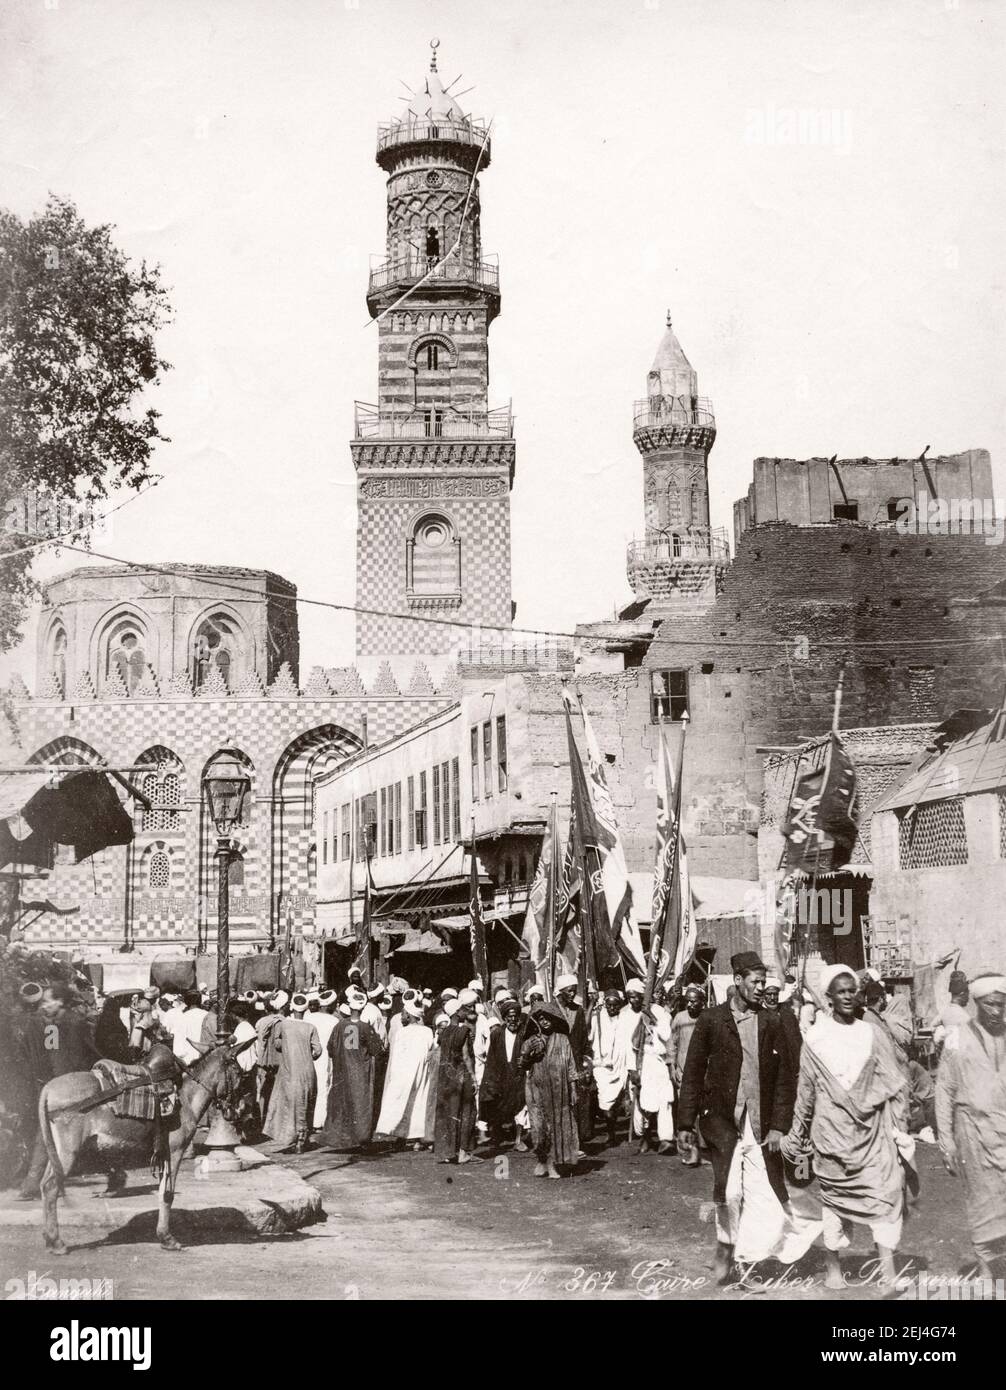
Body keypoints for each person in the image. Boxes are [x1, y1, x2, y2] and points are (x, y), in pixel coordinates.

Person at [783, 964, 912, 1291]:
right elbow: (807, 1091)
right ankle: (833, 1268)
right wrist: (797, 1135)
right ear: (828, 997)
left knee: (883, 1197)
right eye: (840, 992)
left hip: (872, 1134)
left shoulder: (871, 1033)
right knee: (835, 1203)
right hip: (830, 1135)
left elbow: (894, 1081)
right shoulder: (815, 1038)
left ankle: (888, 1273)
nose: (847, 997)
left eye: (852, 990)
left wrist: (899, 1125)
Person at [677, 952, 798, 1282]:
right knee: (729, 1193)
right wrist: (685, 1123)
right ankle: (724, 1249)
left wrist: (779, 1126)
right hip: (723, 1124)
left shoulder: (772, 1021)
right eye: (755, 982)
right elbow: (693, 1072)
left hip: (760, 1127)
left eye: (763, 982)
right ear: (737, 981)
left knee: (763, 1196)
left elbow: (786, 1077)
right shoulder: (712, 1020)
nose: (761, 988)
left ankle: (749, 1262)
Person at [935, 971, 1006, 1280]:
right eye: (991, 1004)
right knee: (981, 1202)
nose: (997, 1011)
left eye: (1002, 1005)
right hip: (972, 1134)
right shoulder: (956, 1037)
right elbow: (944, 1090)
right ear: (977, 1002)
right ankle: (986, 1269)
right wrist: (946, 1141)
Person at [319, 987, 385, 1151]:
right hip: (360, 1073)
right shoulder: (365, 1027)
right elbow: (377, 1049)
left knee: (342, 1105)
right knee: (361, 1105)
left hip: (342, 1073)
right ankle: (362, 1140)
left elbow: (330, 1048)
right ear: (362, 1007)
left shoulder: (339, 1026)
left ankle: (343, 1140)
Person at [519, 1000, 579, 1177]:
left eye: (548, 1018)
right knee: (538, 1127)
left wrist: (574, 1089)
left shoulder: (563, 1039)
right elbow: (521, 1065)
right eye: (541, 1019)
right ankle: (541, 1159)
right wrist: (530, 1054)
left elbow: (571, 1066)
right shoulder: (531, 1041)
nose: (545, 1022)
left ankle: (553, 1163)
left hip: (559, 1090)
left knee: (556, 1126)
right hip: (537, 1089)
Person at [263, 994, 322, 1153]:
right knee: (305, 1104)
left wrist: (289, 1047)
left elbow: (277, 1044)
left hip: (289, 1070)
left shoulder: (283, 1025)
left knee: (289, 1105)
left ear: (292, 1007)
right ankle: (302, 1140)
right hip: (308, 1071)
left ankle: (291, 1138)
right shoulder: (311, 1027)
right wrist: (307, 1053)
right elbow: (318, 1051)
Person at [375, 995, 436, 1149]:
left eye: (403, 1013)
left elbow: (396, 1055)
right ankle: (412, 1138)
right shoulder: (427, 1031)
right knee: (417, 1102)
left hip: (404, 1073)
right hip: (419, 1073)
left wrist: (393, 1076)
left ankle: (404, 1137)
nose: (401, 1016)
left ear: (409, 1015)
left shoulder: (403, 1033)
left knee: (402, 1102)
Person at [624, 979, 675, 1154]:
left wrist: (652, 1018)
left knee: (664, 1100)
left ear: (643, 996)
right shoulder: (626, 1015)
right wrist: (632, 1070)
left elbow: (668, 1035)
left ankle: (665, 1139)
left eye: (636, 997)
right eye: (630, 997)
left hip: (658, 1062)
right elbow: (626, 1045)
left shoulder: (658, 1011)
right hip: (641, 1064)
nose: (633, 1001)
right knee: (643, 1103)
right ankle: (645, 1136)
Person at [434, 988, 479, 1164]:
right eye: (461, 1010)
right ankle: (464, 1152)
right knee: (467, 1111)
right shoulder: (463, 1031)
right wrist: (474, 1078)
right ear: (456, 1013)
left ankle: (448, 1152)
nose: (464, 1012)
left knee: (448, 1111)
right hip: (461, 1075)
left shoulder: (443, 1032)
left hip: (446, 1076)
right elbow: (466, 1056)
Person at [479, 997, 528, 1150]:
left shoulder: (524, 1034)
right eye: (509, 1017)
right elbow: (491, 1058)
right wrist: (491, 1079)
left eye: (515, 1017)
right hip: (501, 1075)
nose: (512, 1020)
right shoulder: (497, 1034)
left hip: (518, 1076)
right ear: (504, 1018)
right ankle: (496, 1137)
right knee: (495, 1104)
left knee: (521, 1108)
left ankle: (519, 1139)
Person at [590, 988, 636, 1146]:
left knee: (614, 1102)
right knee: (605, 1102)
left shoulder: (624, 1019)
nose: (612, 1008)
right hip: (601, 1067)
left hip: (619, 1065)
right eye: (609, 1005)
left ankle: (612, 1133)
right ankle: (610, 1132)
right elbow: (589, 1035)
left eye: (615, 1005)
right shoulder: (597, 1017)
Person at [554, 974, 592, 1147]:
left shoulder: (578, 1010)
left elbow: (583, 1039)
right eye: (569, 991)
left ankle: (576, 1142)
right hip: (556, 1062)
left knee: (576, 1101)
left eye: (574, 991)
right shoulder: (551, 1010)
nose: (572, 994)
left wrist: (586, 1060)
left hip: (575, 1062)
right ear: (560, 991)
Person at [671, 984, 705, 1166]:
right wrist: (672, 1068)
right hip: (684, 1074)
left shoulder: (707, 1018)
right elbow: (673, 1044)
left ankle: (702, 1151)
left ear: (701, 1002)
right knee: (687, 1114)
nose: (691, 1005)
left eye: (694, 1001)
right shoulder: (679, 1018)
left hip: (703, 1073)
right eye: (688, 1001)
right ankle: (691, 1150)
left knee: (703, 1114)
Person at [310, 990, 339, 1131]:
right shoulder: (334, 1021)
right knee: (323, 1088)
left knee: (311, 1089)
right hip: (325, 1058)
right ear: (329, 1005)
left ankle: (311, 1121)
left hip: (310, 1057)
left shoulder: (308, 1017)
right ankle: (319, 1122)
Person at [256, 990, 286, 1118]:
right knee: (277, 1092)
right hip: (278, 1060)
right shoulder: (283, 1021)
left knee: (263, 1091)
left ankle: (263, 1118)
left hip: (263, 1060)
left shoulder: (261, 1021)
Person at [934, 970, 972, 1045]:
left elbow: (932, 1026)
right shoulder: (964, 1017)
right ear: (963, 993)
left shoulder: (944, 1012)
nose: (968, 998)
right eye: (967, 993)